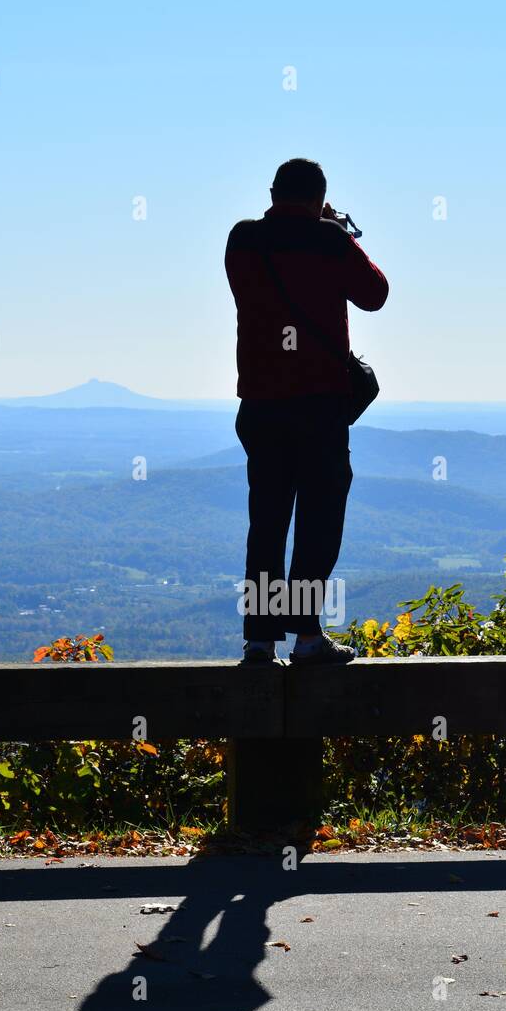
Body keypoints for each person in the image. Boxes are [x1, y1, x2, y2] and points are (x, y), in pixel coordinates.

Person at [225, 157, 389, 665]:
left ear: (272, 193)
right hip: (319, 409)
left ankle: (259, 642)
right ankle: (307, 638)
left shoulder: (244, 240)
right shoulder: (330, 241)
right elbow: (375, 295)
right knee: (318, 523)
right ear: (321, 198)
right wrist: (337, 231)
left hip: (262, 406)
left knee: (267, 522)